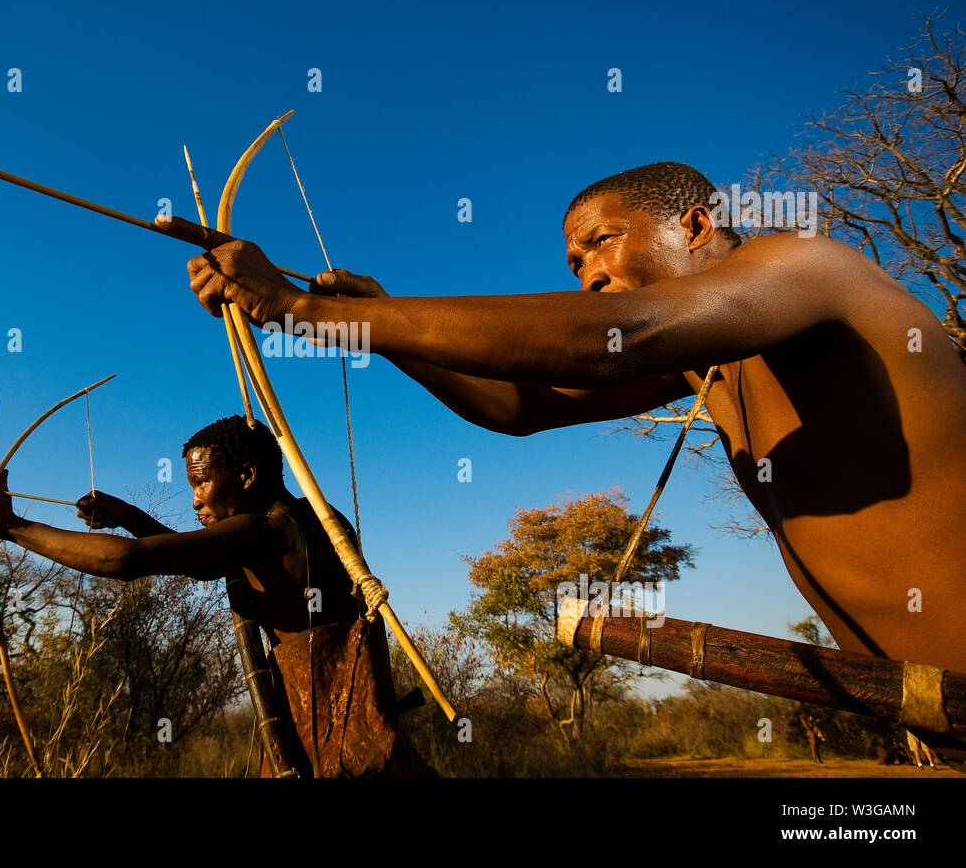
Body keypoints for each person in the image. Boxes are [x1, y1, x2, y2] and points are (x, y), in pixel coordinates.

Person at [180, 161, 966, 759]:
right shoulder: (703, 366)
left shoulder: (810, 266)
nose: (587, 271)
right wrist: (369, 325)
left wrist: (298, 307)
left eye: (602, 241)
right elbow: (517, 408)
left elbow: (613, 339)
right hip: (930, 709)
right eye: (572, 262)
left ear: (693, 226)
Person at [0, 414, 435, 777]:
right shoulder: (309, 518)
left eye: (201, 482)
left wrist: (12, 526)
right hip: (350, 736)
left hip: (338, 746)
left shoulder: (265, 529)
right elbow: (201, 560)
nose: (195, 500)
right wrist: (127, 513)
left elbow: (123, 561)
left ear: (247, 475)